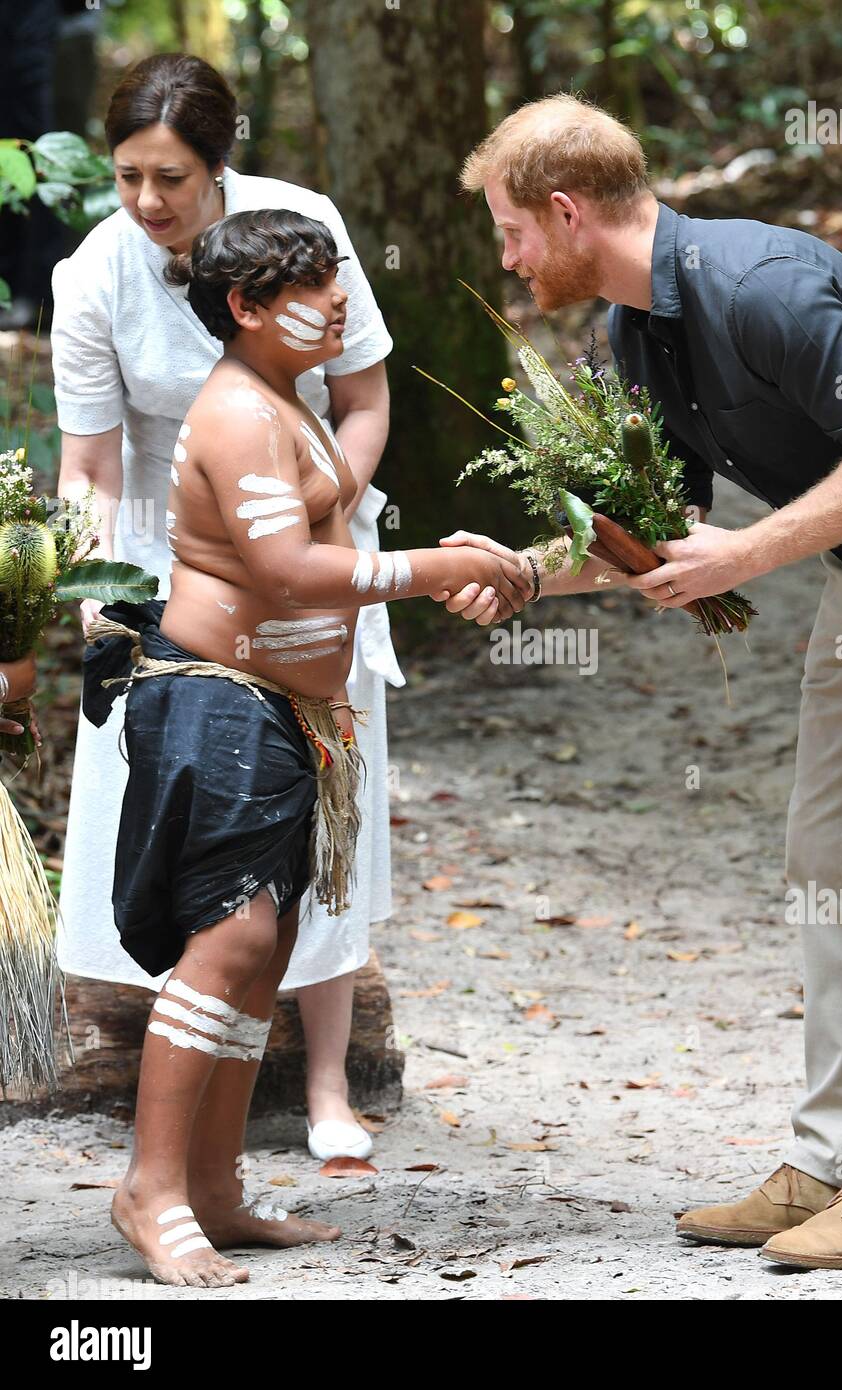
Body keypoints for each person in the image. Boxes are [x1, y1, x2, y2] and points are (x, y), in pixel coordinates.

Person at [441, 93, 842, 1270]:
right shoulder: (632, 330)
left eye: (511, 230)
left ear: (567, 212)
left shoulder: (758, 283)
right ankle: (823, 1163)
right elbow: (664, 531)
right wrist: (521, 572)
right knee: (820, 854)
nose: (508, 256)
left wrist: (742, 554)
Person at [82, 206, 530, 1287]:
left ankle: (215, 1188)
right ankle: (150, 1188)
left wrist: (485, 564)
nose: (339, 298)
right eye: (312, 286)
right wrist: (429, 569)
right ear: (244, 308)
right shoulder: (238, 410)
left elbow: (322, 550)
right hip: (218, 702)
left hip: (282, 713)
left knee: (265, 952)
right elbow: (282, 571)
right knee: (231, 940)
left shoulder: (293, 402)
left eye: (336, 277)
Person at [52, 53, 403, 1161]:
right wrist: (93, 588)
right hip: (165, 537)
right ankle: (174, 1088)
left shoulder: (300, 230)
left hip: (307, 514)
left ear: (221, 165)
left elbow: (364, 399)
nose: (147, 201)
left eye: (171, 177)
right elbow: (92, 466)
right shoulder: (92, 272)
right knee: (170, 799)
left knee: (317, 790)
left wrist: (312, 506)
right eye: (127, 176)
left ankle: (333, 1084)